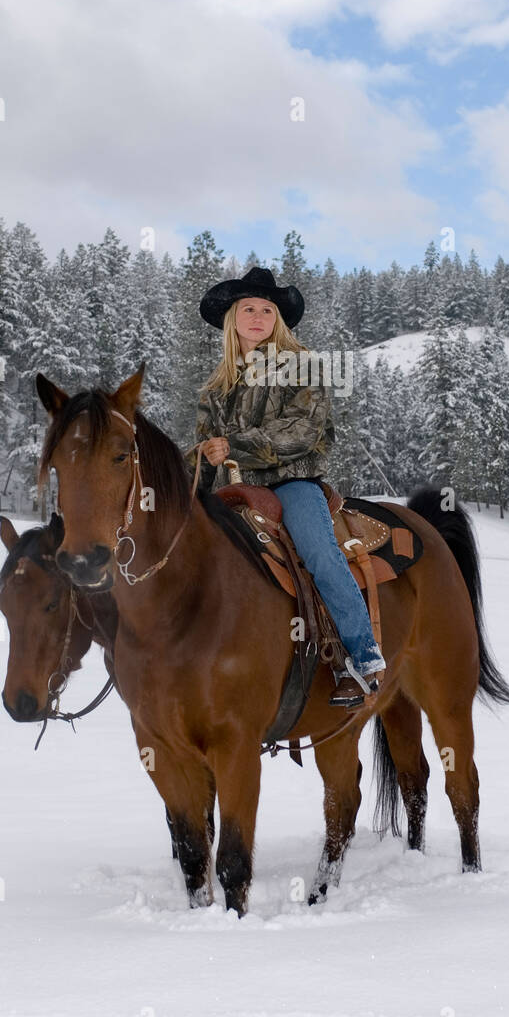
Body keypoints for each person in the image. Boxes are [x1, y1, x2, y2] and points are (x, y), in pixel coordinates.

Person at [183, 265, 386, 709]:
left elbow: (305, 432)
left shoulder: (303, 367)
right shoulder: (215, 389)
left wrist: (234, 446)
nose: (257, 317)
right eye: (248, 308)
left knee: (318, 552)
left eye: (267, 310)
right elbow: (201, 451)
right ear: (232, 319)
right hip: (233, 493)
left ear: (278, 320)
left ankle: (364, 657)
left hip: (292, 484)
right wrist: (200, 459)